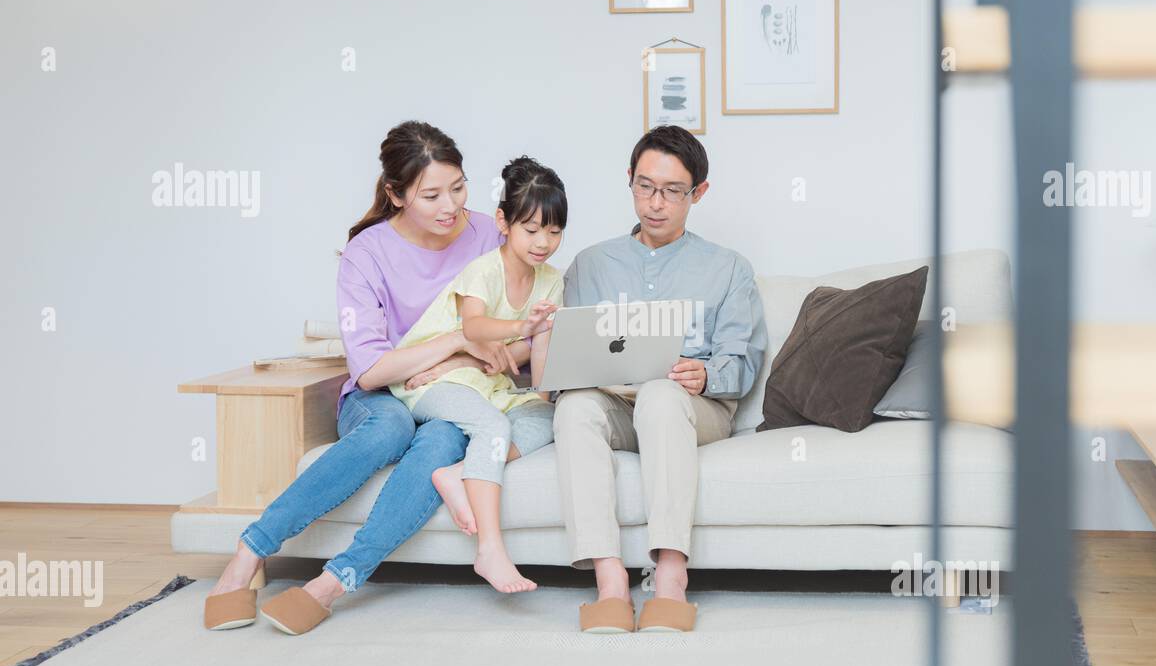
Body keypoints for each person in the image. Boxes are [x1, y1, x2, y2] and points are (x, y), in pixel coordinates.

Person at [204, 121, 529, 636]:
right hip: (378, 397)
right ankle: (249, 553)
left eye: (459, 187)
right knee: (391, 429)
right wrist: (455, 341)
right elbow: (372, 370)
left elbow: (521, 322)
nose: (451, 207)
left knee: (443, 437)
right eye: (431, 195)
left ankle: (334, 581)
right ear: (396, 194)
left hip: (453, 394)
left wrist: (478, 356)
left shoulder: (491, 235)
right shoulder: (367, 253)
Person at [554, 126, 767, 634]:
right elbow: (566, 358)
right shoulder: (590, 264)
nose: (656, 203)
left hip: (692, 408)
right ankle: (609, 582)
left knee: (661, 393)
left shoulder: (729, 268)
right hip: (614, 402)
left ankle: (671, 575)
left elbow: (741, 366)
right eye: (645, 186)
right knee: (575, 407)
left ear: (698, 193)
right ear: (629, 181)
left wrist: (706, 372)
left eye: (673, 191)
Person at [392, 157, 567, 594]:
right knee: (493, 425)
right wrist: (522, 329)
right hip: (432, 380)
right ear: (503, 222)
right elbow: (473, 328)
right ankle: (490, 550)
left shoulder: (551, 281)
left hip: (489, 382)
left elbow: (538, 354)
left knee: (552, 418)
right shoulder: (485, 270)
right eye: (531, 229)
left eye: (554, 230)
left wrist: (543, 395)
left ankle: (456, 473)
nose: (543, 242)